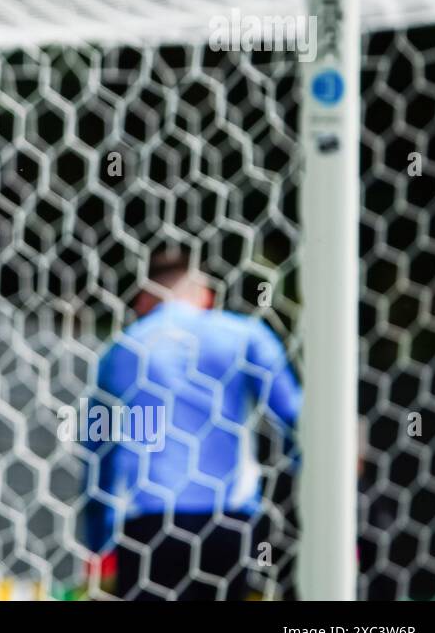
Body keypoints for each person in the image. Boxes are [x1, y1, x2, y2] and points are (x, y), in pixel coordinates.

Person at [81, 250, 302, 600]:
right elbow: (294, 418)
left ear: (143, 299)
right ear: (207, 296)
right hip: (229, 523)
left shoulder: (123, 349)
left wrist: (97, 539)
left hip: (147, 528)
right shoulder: (246, 335)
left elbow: (98, 452)